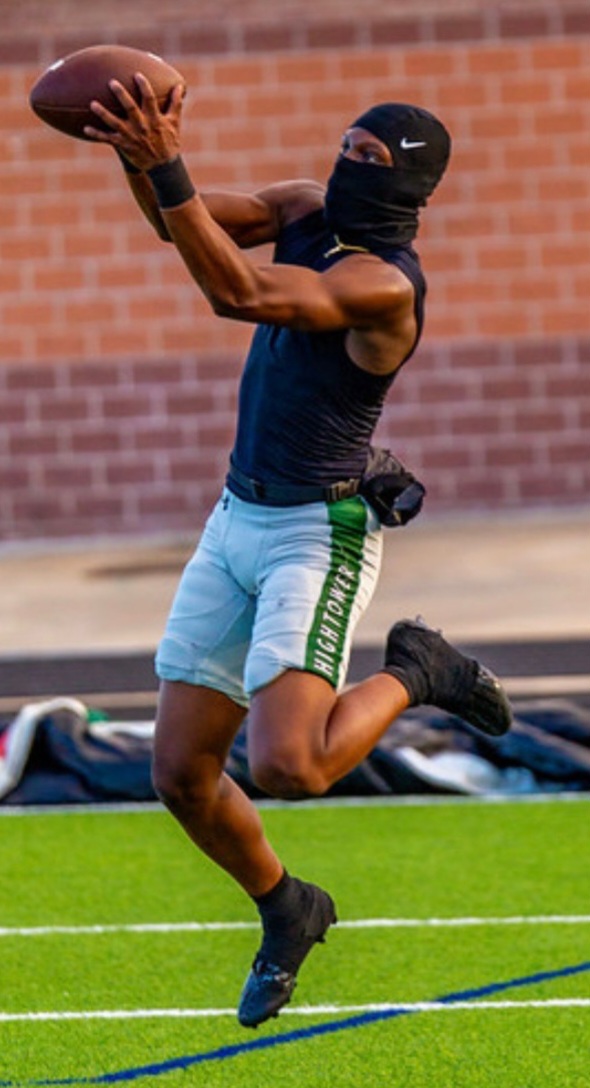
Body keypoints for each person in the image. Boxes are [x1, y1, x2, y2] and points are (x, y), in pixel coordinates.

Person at [85, 77, 512, 1029]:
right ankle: (287, 906)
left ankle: (419, 669)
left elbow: (236, 292)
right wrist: (131, 145)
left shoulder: (386, 284)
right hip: (236, 517)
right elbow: (181, 225)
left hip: (317, 533)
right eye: (347, 145)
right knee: (180, 775)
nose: (347, 164)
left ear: (410, 187)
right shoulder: (302, 209)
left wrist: (165, 162)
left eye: (371, 158)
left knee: (293, 766)